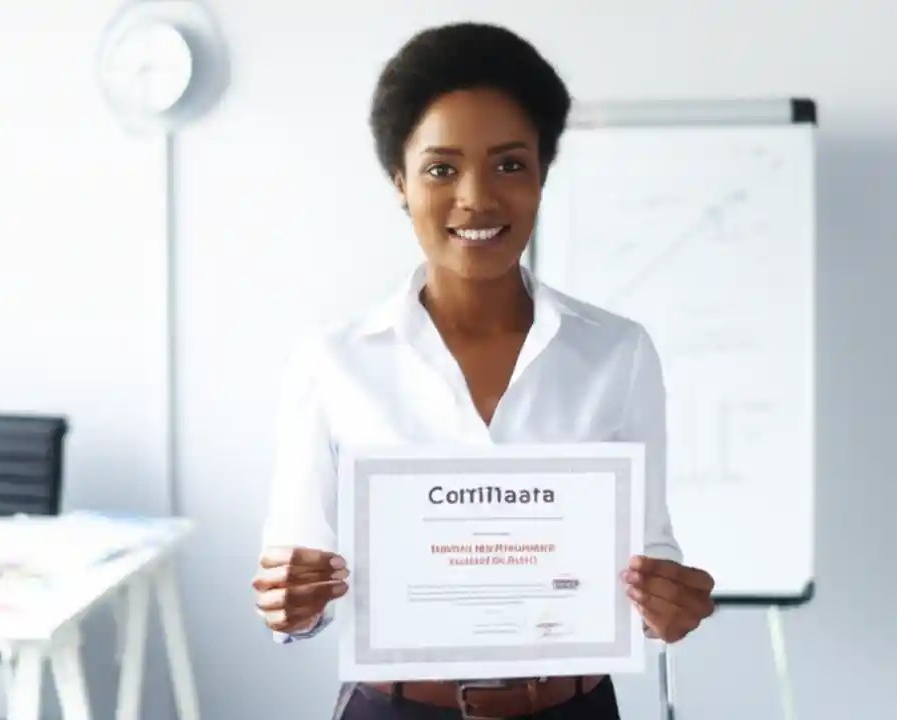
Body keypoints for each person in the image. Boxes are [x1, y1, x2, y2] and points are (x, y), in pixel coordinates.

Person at [252, 21, 716, 720]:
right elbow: (298, 589)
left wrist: (667, 605)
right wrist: (291, 602)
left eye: (509, 164)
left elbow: (647, 566)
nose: (477, 196)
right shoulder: (333, 361)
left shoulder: (617, 353)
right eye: (442, 168)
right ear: (399, 182)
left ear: (541, 175)